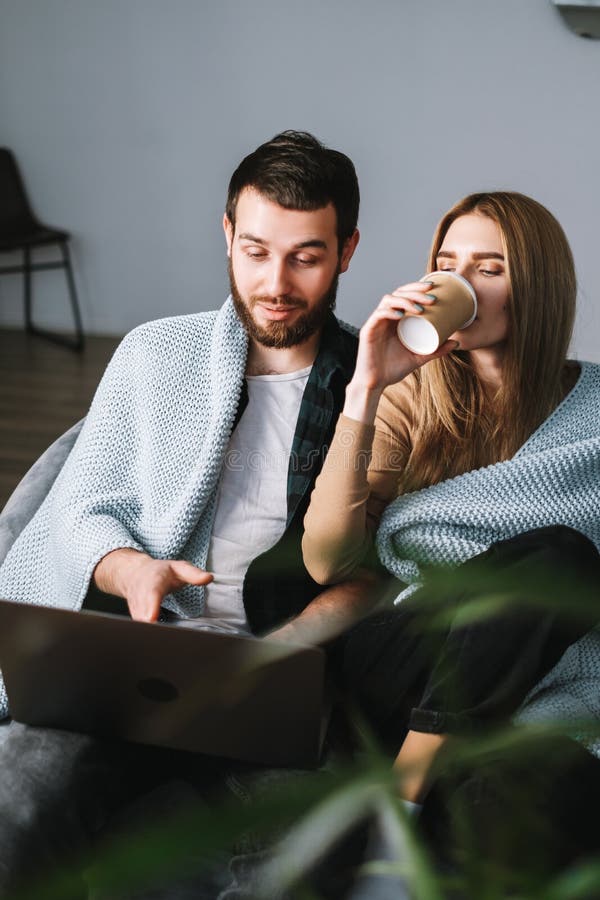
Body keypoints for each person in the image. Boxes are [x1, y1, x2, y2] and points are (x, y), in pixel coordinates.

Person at [0, 130, 379, 899]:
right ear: (227, 236)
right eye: (255, 250)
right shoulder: (154, 354)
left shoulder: (376, 390)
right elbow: (81, 507)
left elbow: (385, 566)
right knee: (16, 804)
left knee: (307, 860)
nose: (276, 281)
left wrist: (284, 655)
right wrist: (133, 567)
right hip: (133, 659)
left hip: (278, 681)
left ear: (347, 251)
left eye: (306, 255)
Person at [302, 191, 600, 891]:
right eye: (446, 263)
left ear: (537, 287)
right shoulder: (411, 397)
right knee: (558, 558)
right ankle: (397, 804)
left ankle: (420, 802)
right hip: (406, 656)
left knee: (542, 804)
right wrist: (365, 390)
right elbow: (325, 562)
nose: (458, 281)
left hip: (531, 685)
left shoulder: (592, 408)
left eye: (488, 268)